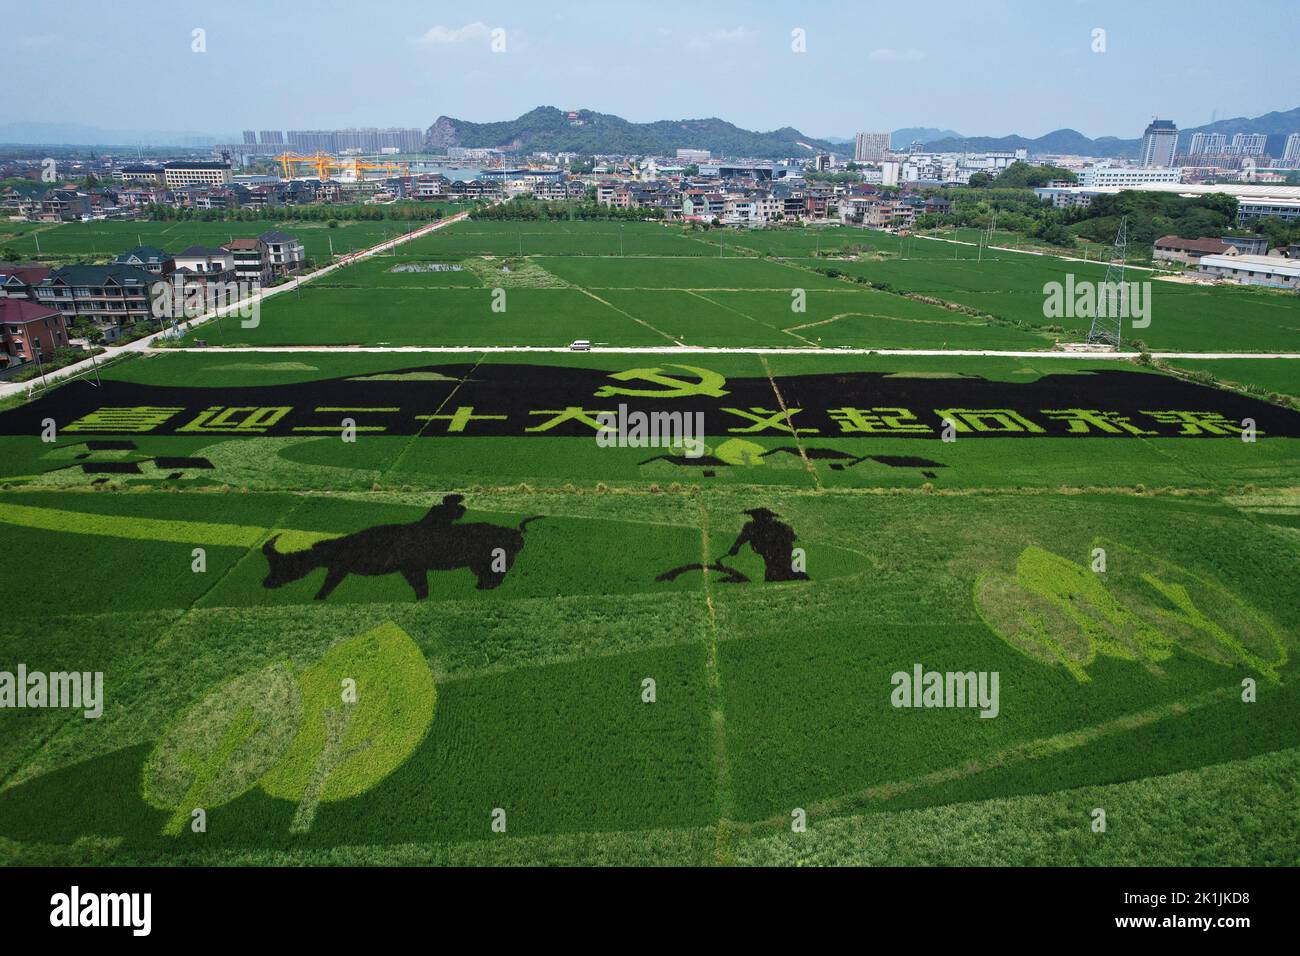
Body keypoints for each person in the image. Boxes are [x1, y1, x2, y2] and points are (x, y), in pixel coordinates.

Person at [725, 507, 809, 582]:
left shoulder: (778, 527)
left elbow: (793, 538)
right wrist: (735, 547)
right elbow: (742, 539)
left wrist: (735, 547)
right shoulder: (755, 528)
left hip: (779, 564)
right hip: (777, 564)